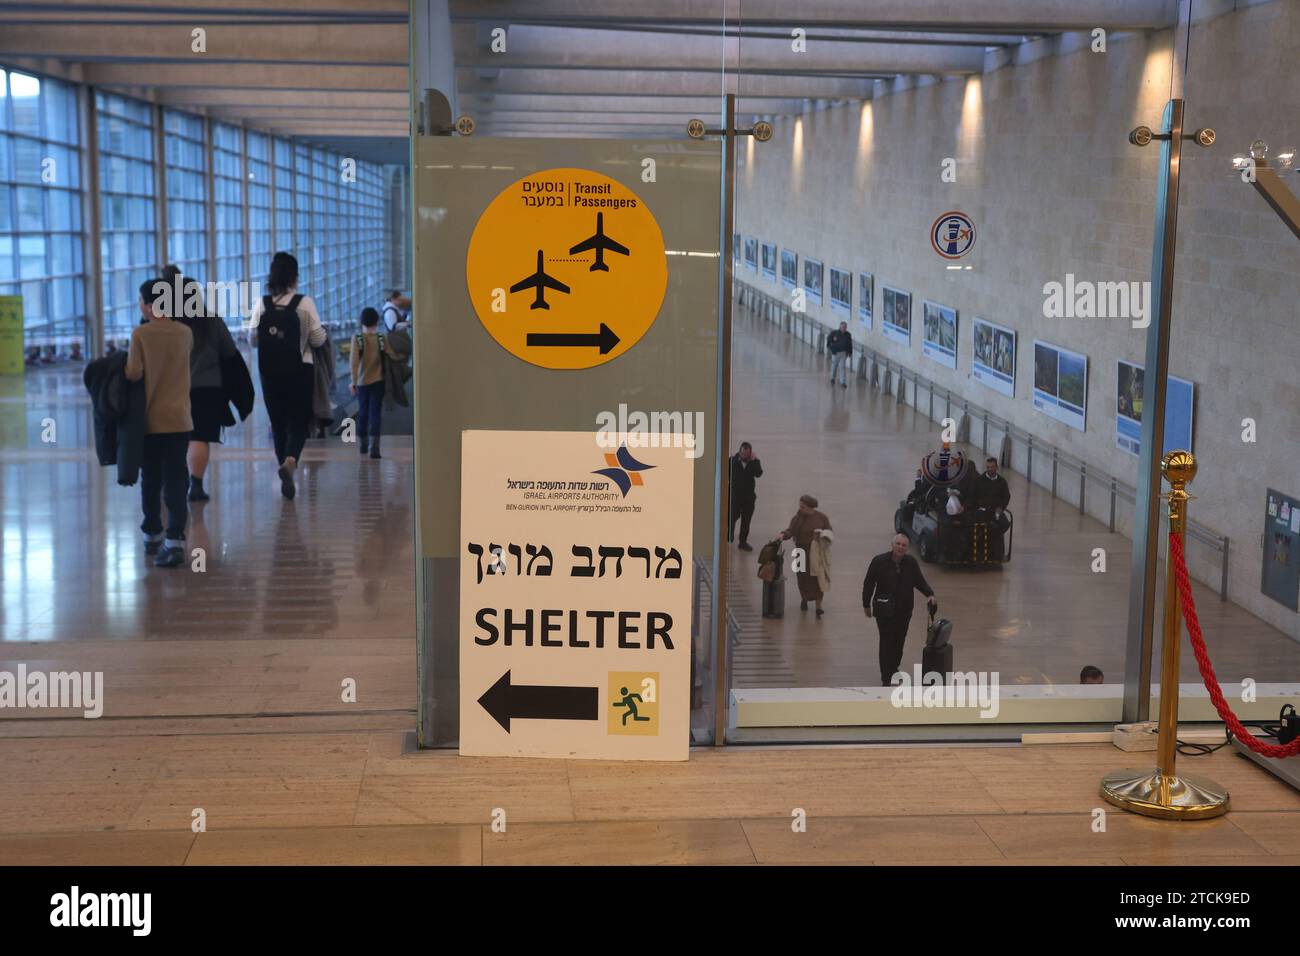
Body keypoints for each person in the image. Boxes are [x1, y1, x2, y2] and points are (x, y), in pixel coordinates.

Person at [125, 278, 193, 568]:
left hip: (150, 421)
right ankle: (175, 539)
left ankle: (152, 533)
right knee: (177, 479)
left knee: (151, 479)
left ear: (150, 305)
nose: (140, 305)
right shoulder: (185, 332)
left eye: (141, 301)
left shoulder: (141, 334)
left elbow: (133, 373)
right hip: (180, 418)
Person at [248, 252, 326, 500]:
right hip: (300, 370)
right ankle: (291, 460)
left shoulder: (262, 304)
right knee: (299, 421)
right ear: (295, 276)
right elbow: (318, 338)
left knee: (279, 424)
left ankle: (284, 463)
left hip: (270, 373)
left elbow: (252, 339)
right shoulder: (305, 303)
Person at [161, 265, 240, 502]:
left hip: (173, 388)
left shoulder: (169, 324)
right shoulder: (211, 321)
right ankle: (196, 484)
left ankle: (172, 482)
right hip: (208, 388)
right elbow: (229, 351)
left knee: (173, 437)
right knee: (200, 436)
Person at [862, 533, 938, 686]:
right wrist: (866, 604)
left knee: (899, 641)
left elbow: (919, 581)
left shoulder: (910, 562)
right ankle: (886, 677)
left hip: (904, 610)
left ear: (907, 548)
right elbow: (869, 583)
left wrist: (929, 594)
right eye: (898, 544)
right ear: (892, 545)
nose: (901, 547)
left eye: (904, 545)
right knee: (886, 642)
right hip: (884, 610)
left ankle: (893, 668)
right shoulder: (879, 561)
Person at [350, 307, 400, 459]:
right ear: (377, 321)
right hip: (378, 381)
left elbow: (354, 362)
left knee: (363, 413)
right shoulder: (381, 338)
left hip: (362, 382)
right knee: (375, 414)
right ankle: (375, 449)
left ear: (361, 321)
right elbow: (392, 355)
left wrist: (353, 382)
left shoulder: (357, 338)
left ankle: (363, 445)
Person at [778, 494, 832, 617]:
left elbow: (830, 532)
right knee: (802, 577)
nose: (800, 508)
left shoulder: (822, 518)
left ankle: (819, 607)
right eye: (800, 506)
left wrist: (823, 536)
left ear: (810, 507)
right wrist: (783, 535)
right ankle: (804, 598)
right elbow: (790, 530)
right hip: (800, 551)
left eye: (803, 506)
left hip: (817, 553)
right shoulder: (797, 518)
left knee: (818, 578)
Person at [728, 441, 763, 551]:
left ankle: (742, 542)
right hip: (734, 497)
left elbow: (758, 473)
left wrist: (755, 461)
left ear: (750, 453)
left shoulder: (753, 462)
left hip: (748, 498)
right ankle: (729, 535)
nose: (744, 456)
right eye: (742, 454)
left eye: (747, 454)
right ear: (740, 451)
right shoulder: (732, 461)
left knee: (746, 521)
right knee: (731, 517)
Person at [826, 321, 853, 388]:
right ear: (840, 327)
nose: (844, 328)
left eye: (845, 327)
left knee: (842, 367)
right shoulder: (834, 333)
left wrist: (850, 352)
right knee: (834, 366)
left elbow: (850, 344)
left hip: (843, 353)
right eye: (842, 327)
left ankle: (843, 382)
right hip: (836, 353)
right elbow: (829, 339)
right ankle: (832, 378)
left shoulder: (848, 335)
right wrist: (830, 347)